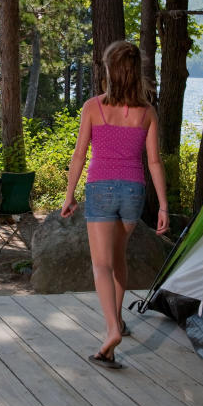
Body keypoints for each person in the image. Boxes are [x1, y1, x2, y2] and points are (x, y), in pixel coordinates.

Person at [61, 40, 169, 371]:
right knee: (118, 259)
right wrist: (163, 205)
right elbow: (154, 162)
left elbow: (80, 154)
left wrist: (69, 194)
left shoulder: (93, 107)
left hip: (101, 190)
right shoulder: (147, 112)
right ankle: (118, 322)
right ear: (136, 72)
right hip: (133, 192)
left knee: (101, 265)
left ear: (109, 70)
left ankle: (110, 332)